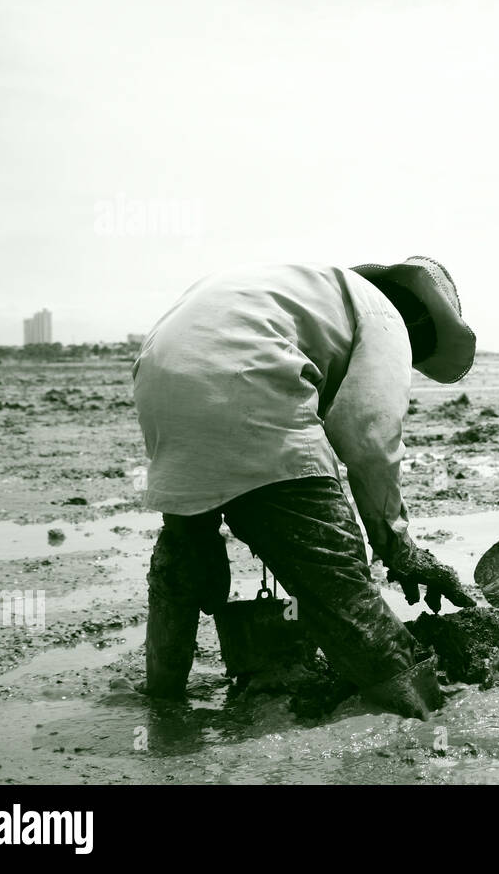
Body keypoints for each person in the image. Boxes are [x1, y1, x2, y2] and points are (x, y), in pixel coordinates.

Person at [133, 257, 477, 718]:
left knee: (186, 553)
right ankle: (420, 709)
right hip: (250, 383)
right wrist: (397, 545)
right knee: (335, 575)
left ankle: (163, 701)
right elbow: (370, 436)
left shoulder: (308, 289)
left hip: (161, 380)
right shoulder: (385, 318)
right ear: (420, 324)